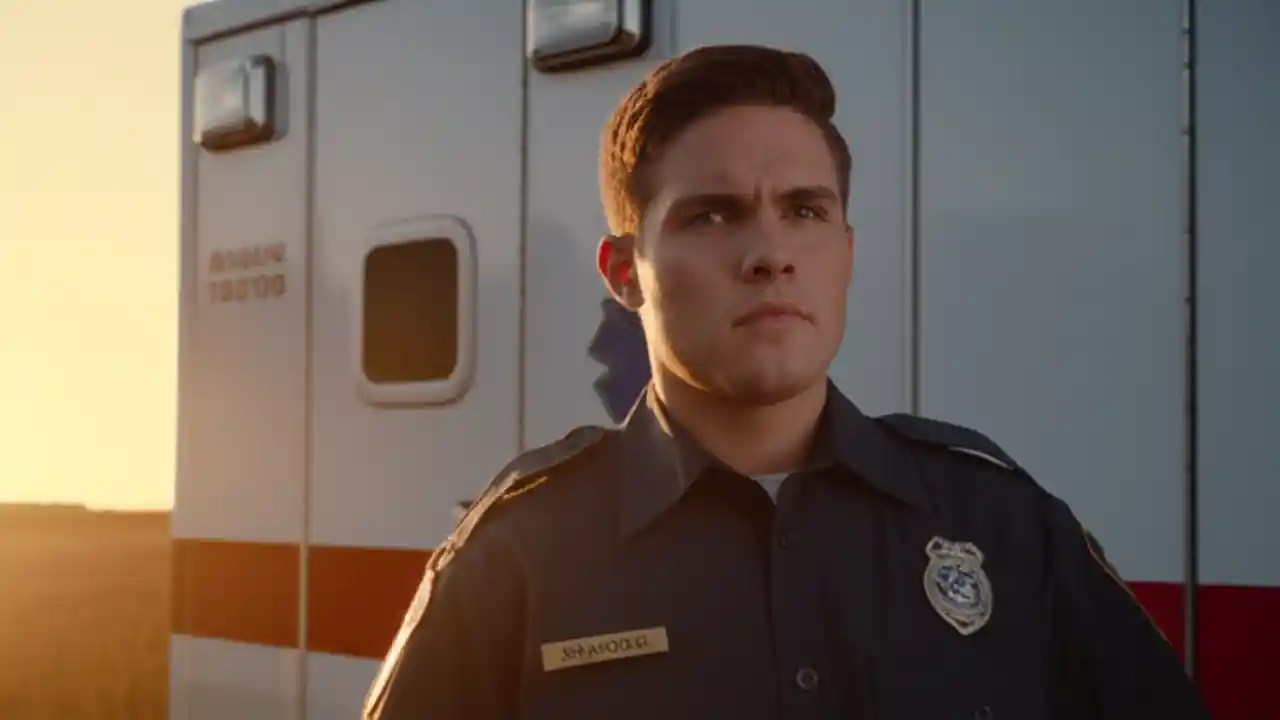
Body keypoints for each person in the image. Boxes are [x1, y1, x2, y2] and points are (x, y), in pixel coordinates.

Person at [363, 44, 1209, 719]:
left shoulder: (1006, 527)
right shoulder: (514, 558)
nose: (771, 254)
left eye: (805, 211)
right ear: (625, 273)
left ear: (846, 251)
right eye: (712, 214)